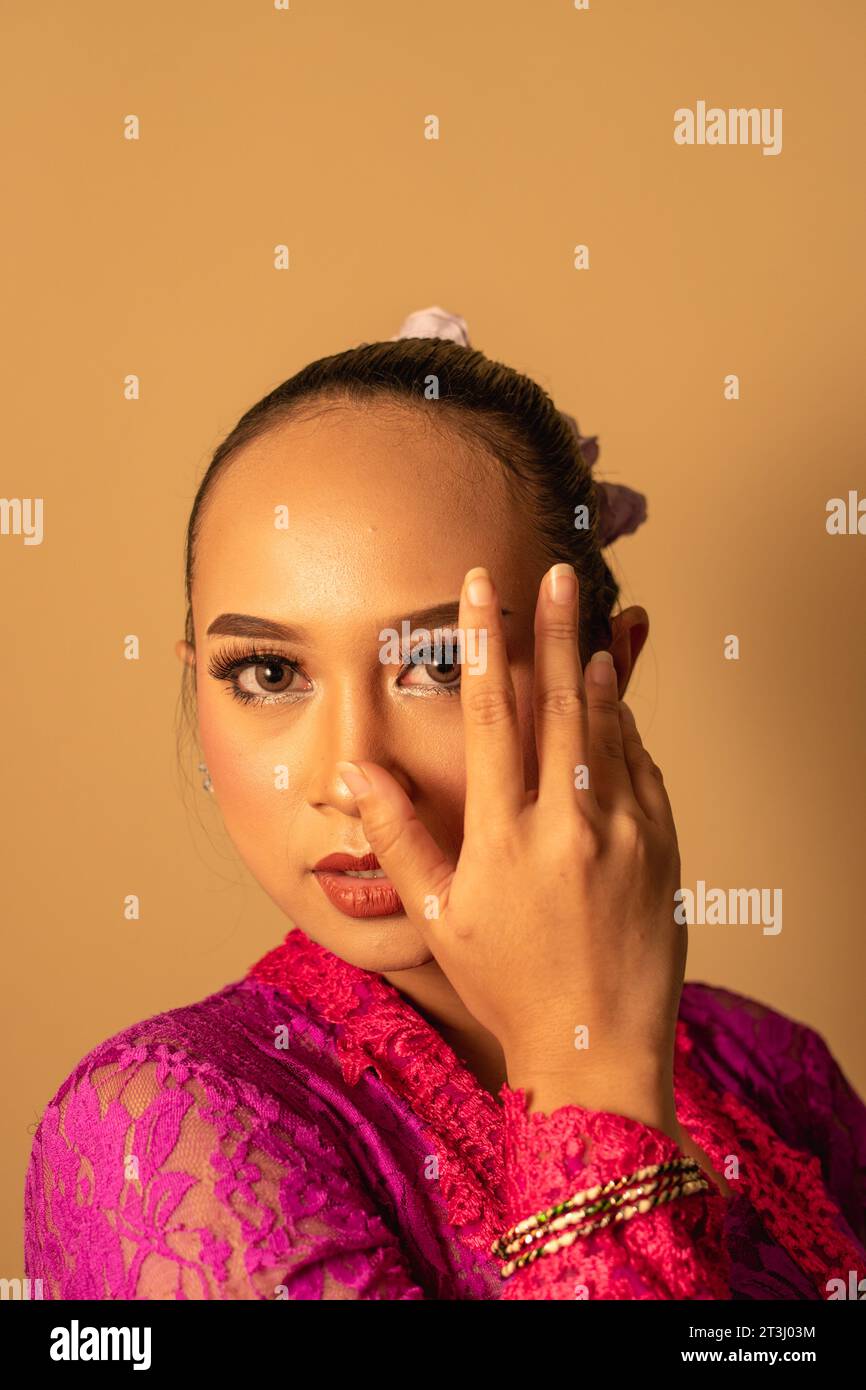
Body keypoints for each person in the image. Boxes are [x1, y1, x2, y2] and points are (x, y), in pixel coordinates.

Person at [23, 308, 866, 1300]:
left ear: (606, 671)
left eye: (434, 663)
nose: (352, 776)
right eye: (266, 671)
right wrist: (582, 1080)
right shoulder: (159, 1133)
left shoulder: (769, 1065)